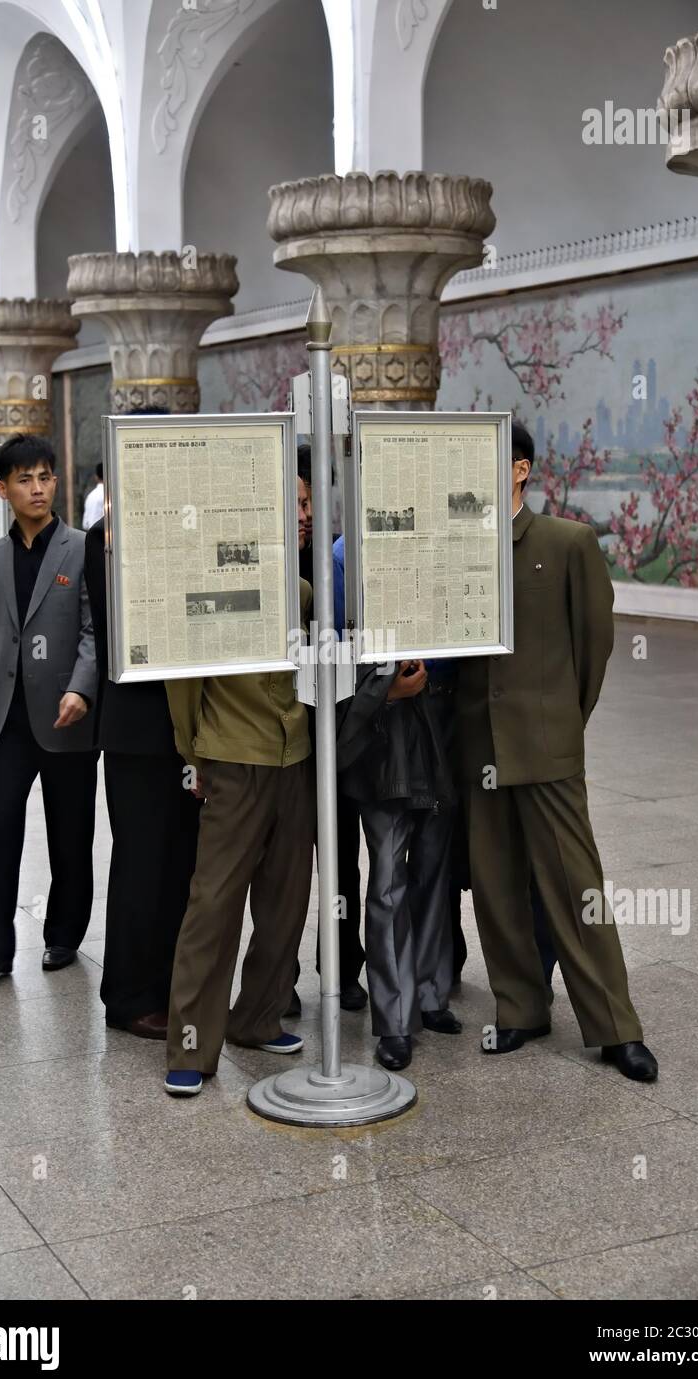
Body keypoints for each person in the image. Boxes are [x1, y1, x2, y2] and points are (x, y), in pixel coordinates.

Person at [457, 423, 658, 1083]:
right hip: (480, 745)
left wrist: (563, 722)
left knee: (579, 888)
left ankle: (614, 1027)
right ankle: (519, 1008)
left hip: (547, 745)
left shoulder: (566, 542)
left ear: (520, 469)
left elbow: (593, 646)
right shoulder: (459, 546)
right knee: (497, 885)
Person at [162, 577, 317, 1096]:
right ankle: (190, 1045)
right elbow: (184, 680)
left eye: (302, 506)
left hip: (294, 757)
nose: (300, 516)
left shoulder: (299, 590)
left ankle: (257, 1019)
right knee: (214, 904)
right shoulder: (207, 589)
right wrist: (194, 754)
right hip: (231, 756)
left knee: (288, 899)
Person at [0, 433, 98, 985]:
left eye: (45, 477)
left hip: (69, 717)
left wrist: (82, 689)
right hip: (8, 720)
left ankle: (63, 934)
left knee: (71, 833)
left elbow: (93, 630)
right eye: (25, 479)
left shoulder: (83, 547)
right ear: (3, 489)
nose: (37, 488)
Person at [84, 405, 200, 1039]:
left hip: (188, 730)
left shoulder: (170, 530)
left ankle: (170, 984)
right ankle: (129, 997)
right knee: (142, 863)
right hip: (138, 731)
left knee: (182, 861)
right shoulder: (108, 542)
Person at [336, 654, 461, 1071]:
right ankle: (394, 1018)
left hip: (443, 725)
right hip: (383, 740)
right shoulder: (345, 588)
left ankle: (428, 994)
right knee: (388, 882)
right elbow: (335, 644)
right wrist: (384, 689)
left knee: (432, 873)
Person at [288, 448, 367, 1016]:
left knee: (341, 861)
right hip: (281, 740)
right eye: (297, 502)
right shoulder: (261, 566)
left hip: (337, 732)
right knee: (284, 869)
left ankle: (344, 968)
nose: (307, 513)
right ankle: (278, 977)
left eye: (313, 501)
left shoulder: (333, 562)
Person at [82, 463, 103, 529]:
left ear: (96, 477)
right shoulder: (112, 495)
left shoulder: (90, 496)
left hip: (91, 535)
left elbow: (85, 524)